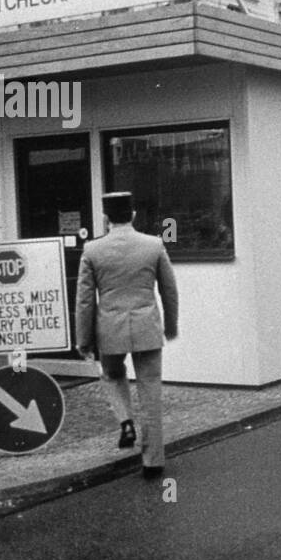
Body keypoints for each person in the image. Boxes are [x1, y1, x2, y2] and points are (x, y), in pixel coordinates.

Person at [75, 192, 179, 478]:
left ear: (106, 218)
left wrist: (84, 340)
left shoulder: (92, 250)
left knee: (111, 374)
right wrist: (170, 327)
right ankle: (153, 462)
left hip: (109, 330)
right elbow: (169, 290)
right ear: (132, 215)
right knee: (151, 391)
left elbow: (84, 301)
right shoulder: (154, 245)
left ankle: (125, 421)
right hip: (147, 328)